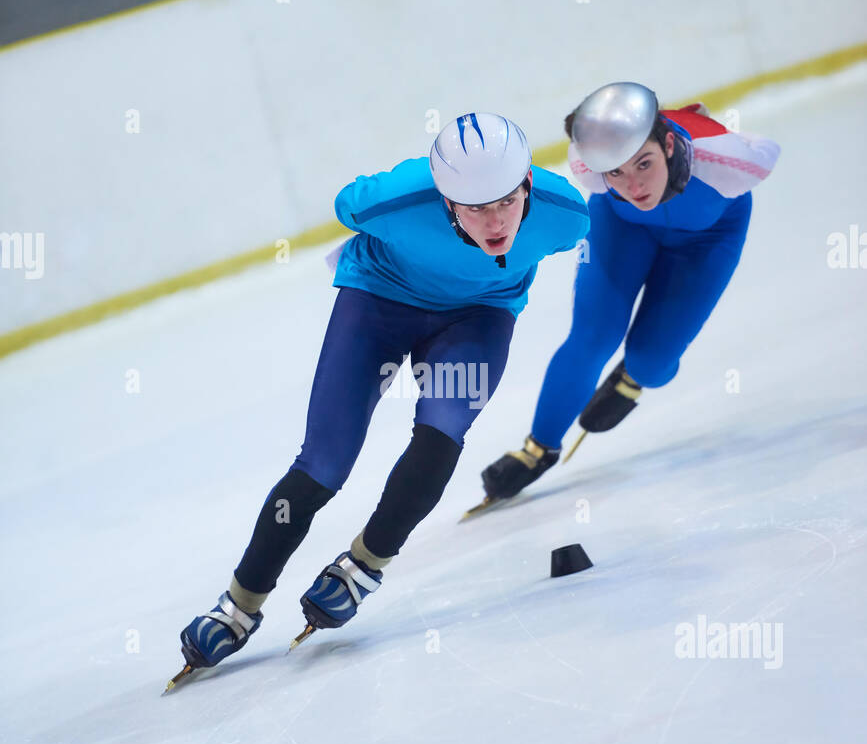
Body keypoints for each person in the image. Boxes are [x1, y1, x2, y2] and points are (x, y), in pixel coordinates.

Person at [175, 112, 590, 677]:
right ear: (444, 201)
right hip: (378, 305)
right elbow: (347, 203)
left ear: (527, 187)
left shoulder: (565, 216)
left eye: (507, 202)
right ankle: (238, 606)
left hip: (477, 318)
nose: (496, 221)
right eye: (474, 208)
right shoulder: (391, 201)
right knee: (323, 462)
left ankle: (365, 565)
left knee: (442, 430)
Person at [478, 82, 780, 505]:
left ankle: (633, 379)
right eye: (615, 172)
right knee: (593, 337)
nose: (634, 185)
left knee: (653, 362)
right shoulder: (585, 163)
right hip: (623, 228)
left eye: (644, 164)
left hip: (706, 240)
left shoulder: (734, 159)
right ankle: (537, 449)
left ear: (670, 144)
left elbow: (760, 146)